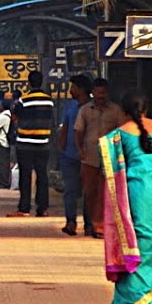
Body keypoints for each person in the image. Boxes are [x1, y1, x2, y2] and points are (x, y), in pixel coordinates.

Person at [99, 91, 152, 304]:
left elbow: (109, 173)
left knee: (134, 248)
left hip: (135, 197)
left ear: (123, 112)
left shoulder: (118, 136)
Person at [74, 77, 124, 238]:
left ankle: (100, 226)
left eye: (103, 93)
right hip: (90, 156)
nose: (101, 96)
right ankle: (91, 224)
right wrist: (80, 149)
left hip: (109, 157)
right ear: (93, 93)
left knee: (106, 192)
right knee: (89, 191)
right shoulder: (85, 110)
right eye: (98, 92)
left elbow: (122, 131)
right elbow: (78, 131)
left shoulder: (115, 110)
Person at [8, 70, 54, 218]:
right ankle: (43, 208)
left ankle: (24, 208)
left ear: (29, 82)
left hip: (25, 144)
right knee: (42, 175)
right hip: (43, 143)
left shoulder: (23, 100)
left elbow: (14, 117)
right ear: (42, 82)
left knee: (25, 175)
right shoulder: (49, 101)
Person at [57, 75, 92, 235]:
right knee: (70, 189)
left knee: (89, 191)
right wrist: (61, 147)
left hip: (89, 157)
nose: (70, 90)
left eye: (73, 87)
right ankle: (70, 221)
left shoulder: (92, 107)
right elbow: (65, 127)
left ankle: (89, 223)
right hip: (69, 155)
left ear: (82, 89)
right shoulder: (70, 105)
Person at [0, 95, 15, 189]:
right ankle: (6, 181)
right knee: (6, 162)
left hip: (1, 141)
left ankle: (3, 182)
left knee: (1, 163)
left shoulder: (3, 116)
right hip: (7, 141)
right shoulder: (10, 115)